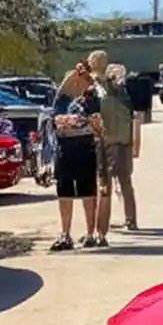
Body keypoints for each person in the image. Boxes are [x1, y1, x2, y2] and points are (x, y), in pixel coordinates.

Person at [50, 66, 101, 250]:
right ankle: (65, 234)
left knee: (87, 191)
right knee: (64, 192)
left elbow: (97, 120)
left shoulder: (92, 98)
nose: (75, 81)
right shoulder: (62, 99)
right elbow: (55, 119)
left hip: (85, 147)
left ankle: (90, 234)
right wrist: (67, 121)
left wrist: (77, 121)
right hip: (65, 148)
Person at [92, 57, 139, 236]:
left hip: (109, 144)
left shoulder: (109, 95)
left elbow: (102, 84)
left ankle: (105, 222)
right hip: (123, 143)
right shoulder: (125, 96)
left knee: (106, 184)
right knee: (125, 183)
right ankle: (130, 219)